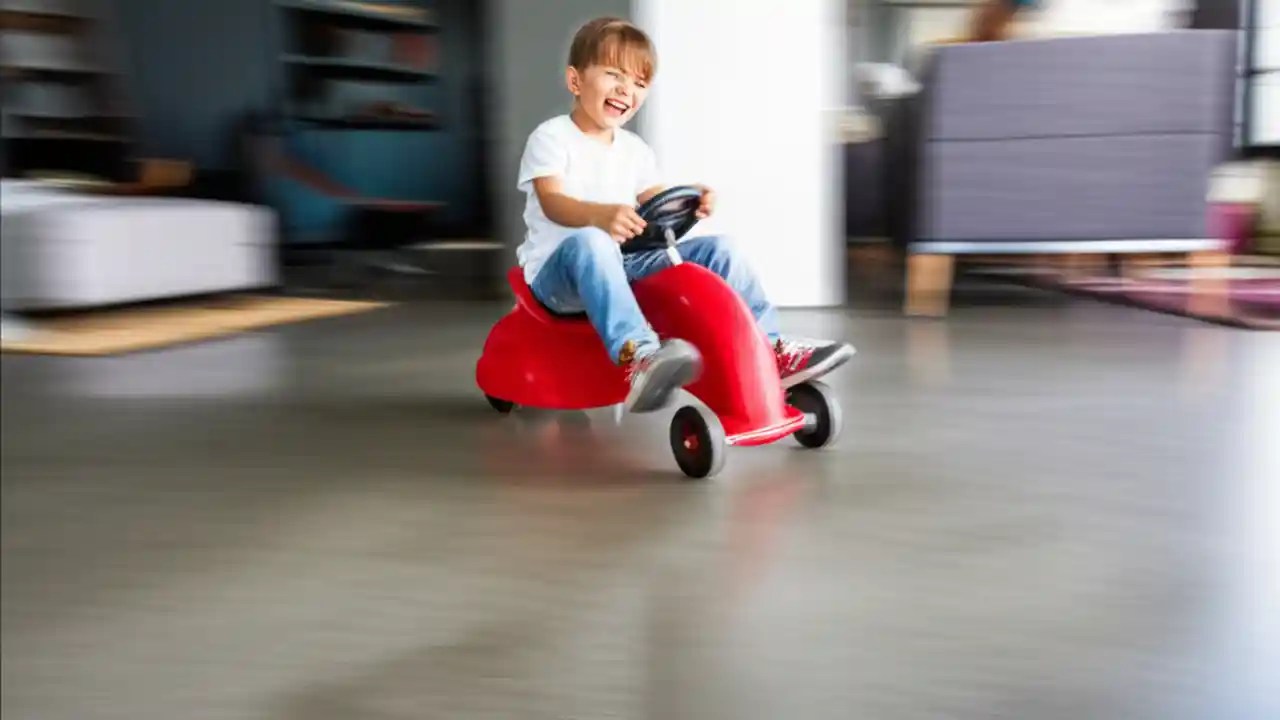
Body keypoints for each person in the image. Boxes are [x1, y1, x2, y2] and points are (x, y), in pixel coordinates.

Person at [516, 17, 855, 413]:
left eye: (639, 83)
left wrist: (690, 200)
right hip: (559, 277)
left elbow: (656, 203)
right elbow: (553, 201)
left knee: (721, 249)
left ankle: (771, 349)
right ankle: (640, 356)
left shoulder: (634, 150)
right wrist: (600, 216)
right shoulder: (552, 137)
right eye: (614, 75)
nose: (626, 89)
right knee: (592, 242)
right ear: (575, 81)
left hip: (622, 264)